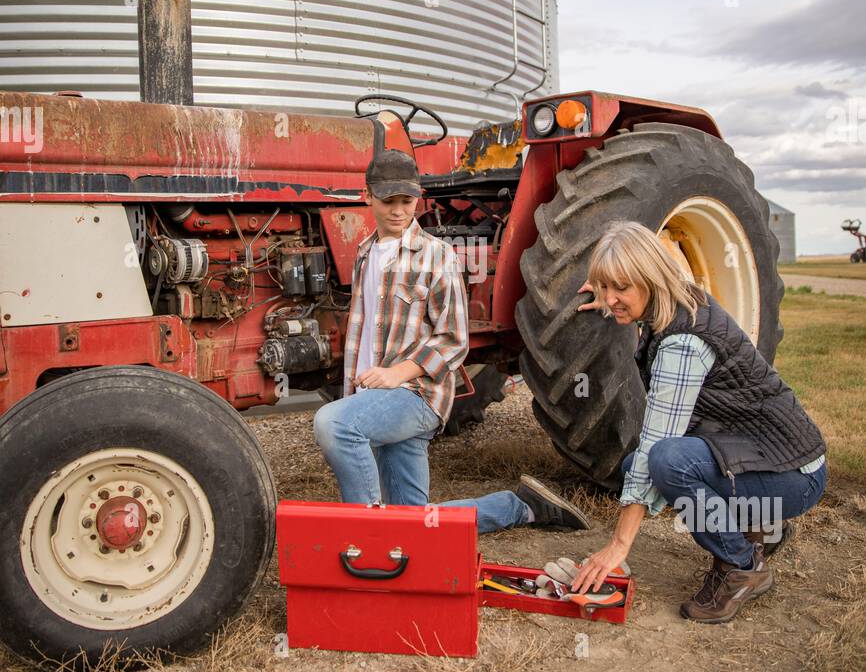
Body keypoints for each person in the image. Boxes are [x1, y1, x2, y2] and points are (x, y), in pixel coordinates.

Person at [314, 148, 589, 534]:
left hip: (415, 394)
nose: (398, 210)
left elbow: (454, 340)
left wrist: (398, 374)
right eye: (388, 201)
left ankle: (367, 534)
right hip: (374, 396)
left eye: (406, 201)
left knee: (334, 425)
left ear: (417, 199)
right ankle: (518, 507)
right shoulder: (363, 254)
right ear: (367, 196)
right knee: (414, 526)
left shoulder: (436, 255)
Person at [571, 220, 827, 623]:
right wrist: (611, 297)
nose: (610, 298)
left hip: (795, 475)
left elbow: (657, 440)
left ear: (650, 279)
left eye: (621, 287)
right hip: (771, 458)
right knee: (645, 467)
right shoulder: (679, 298)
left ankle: (742, 566)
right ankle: (760, 526)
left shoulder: (684, 343)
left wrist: (619, 545)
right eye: (604, 287)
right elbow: (628, 291)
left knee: (666, 462)